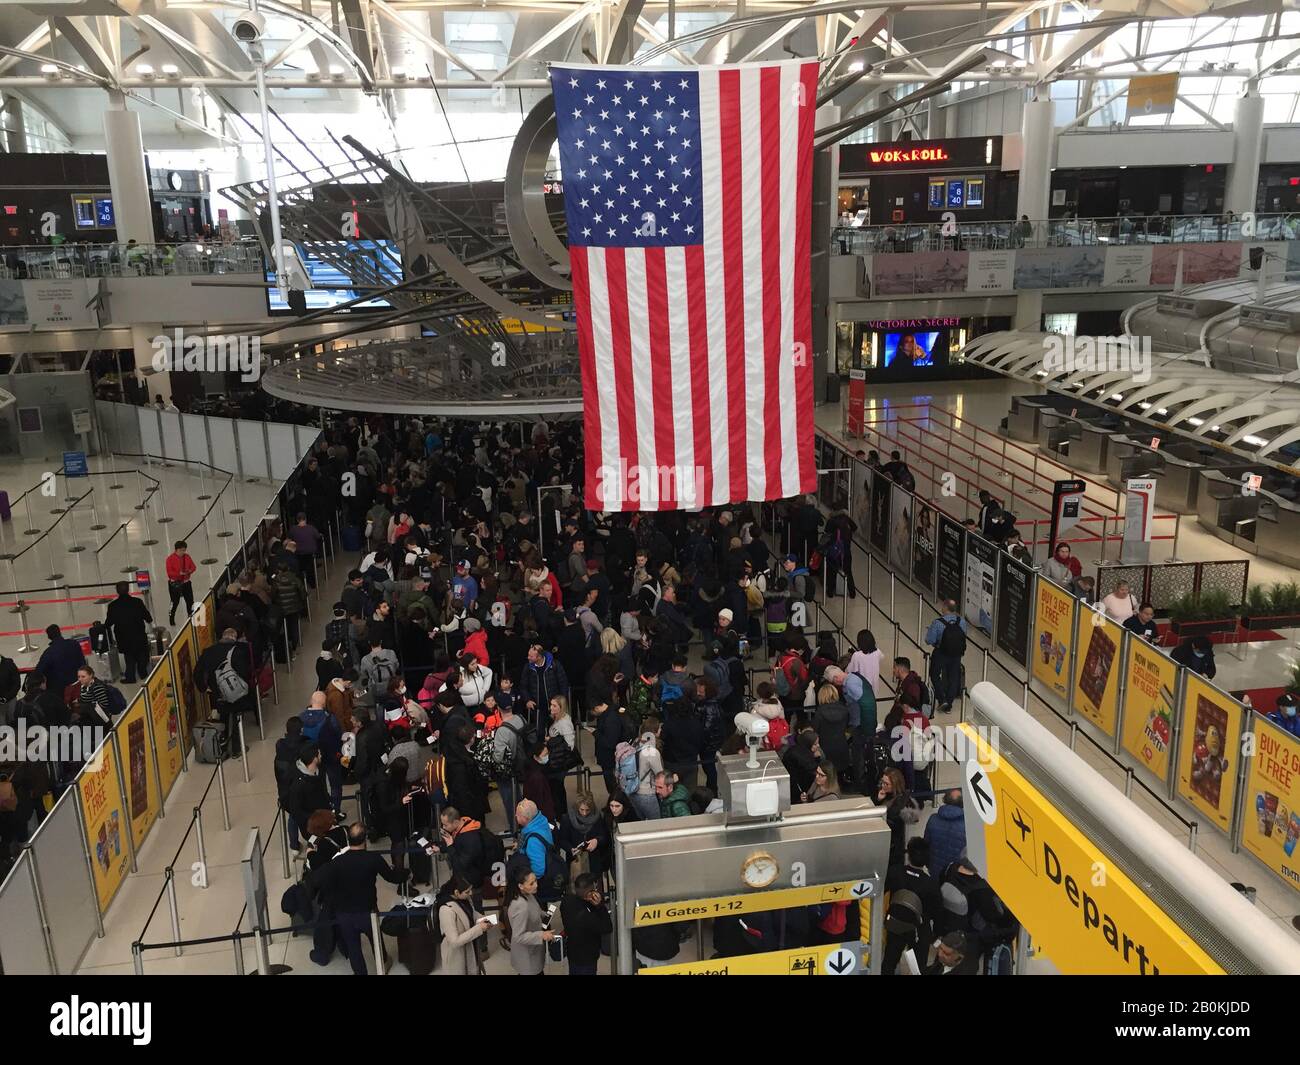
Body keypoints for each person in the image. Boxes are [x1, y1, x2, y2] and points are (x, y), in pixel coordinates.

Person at [311, 822, 408, 975]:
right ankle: (383, 963)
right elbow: (392, 878)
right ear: (365, 839)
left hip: (344, 913)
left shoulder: (337, 862)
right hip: (367, 910)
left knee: (353, 947)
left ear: (348, 840)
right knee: (376, 939)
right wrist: (405, 873)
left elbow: (317, 879)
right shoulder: (373, 859)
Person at [195, 628, 254, 756]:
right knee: (237, 718)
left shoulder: (207, 652)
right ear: (233, 638)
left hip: (218, 693)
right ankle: (237, 748)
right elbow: (245, 672)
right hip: (236, 693)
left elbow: (198, 673)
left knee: (224, 718)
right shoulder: (238, 651)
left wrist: (204, 688)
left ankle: (222, 746)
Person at [500, 865, 555, 975]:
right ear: (520, 886)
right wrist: (541, 935)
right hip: (527, 956)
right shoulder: (521, 906)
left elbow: (535, 911)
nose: (536, 885)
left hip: (533, 952)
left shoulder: (528, 894)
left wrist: (546, 914)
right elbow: (519, 936)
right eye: (531, 883)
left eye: (535, 881)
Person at [436, 874, 493, 975]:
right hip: (457, 957)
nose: (470, 893)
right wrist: (479, 928)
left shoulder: (464, 900)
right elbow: (454, 941)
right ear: (456, 892)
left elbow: (473, 915)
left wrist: (488, 920)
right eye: (467, 891)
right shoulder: (446, 910)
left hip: (470, 949)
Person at [560, 873, 613, 975]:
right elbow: (607, 927)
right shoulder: (589, 917)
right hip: (588, 958)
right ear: (589, 893)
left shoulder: (566, 902)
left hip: (573, 953)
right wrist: (600, 906)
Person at [104, 582, 153, 683]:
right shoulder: (137, 602)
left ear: (117, 591)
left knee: (129, 656)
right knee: (141, 653)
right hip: (139, 635)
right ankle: (142, 672)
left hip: (123, 638)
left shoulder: (113, 606)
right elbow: (148, 618)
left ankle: (130, 677)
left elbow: (108, 623)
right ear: (128, 589)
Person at [924, 599, 966, 715]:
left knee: (934, 674)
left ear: (946, 608)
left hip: (941, 653)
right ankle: (949, 704)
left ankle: (941, 699)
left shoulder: (937, 623)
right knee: (953, 678)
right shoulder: (961, 621)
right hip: (956, 655)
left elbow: (929, 640)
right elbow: (963, 636)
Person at [923, 789, 967, 878]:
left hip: (935, 869)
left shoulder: (933, 819)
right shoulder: (967, 825)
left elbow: (926, 843)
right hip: (956, 872)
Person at [35, 625, 86, 695]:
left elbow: (39, 671)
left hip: (59, 690)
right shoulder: (74, 644)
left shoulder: (49, 652)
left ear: (48, 636)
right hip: (78, 685)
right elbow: (83, 663)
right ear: (60, 632)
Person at [165, 540, 197, 624]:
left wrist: (189, 571)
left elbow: (193, 567)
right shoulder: (170, 559)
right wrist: (179, 574)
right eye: (182, 550)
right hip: (175, 584)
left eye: (184, 550)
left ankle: (190, 617)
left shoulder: (187, 557)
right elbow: (169, 573)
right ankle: (171, 618)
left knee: (190, 601)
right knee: (174, 602)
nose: (183, 552)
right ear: (177, 550)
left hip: (186, 582)